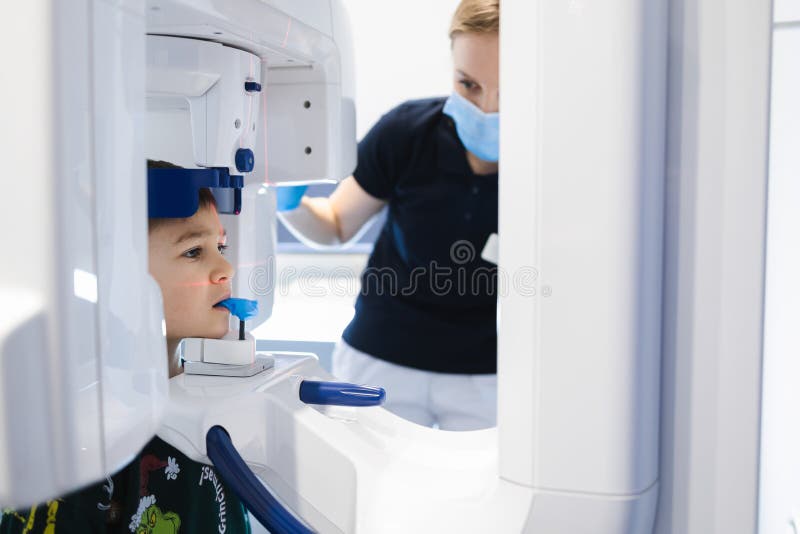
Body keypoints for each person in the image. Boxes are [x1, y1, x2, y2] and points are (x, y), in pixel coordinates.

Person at [278, 0, 500, 431]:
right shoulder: (407, 133)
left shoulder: (550, 161)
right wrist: (288, 202)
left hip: (487, 376)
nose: (486, 109)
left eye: (506, 91)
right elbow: (337, 224)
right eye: (468, 85)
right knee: (362, 491)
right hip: (381, 360)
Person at [0, 160, 251, 533]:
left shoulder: (211, 405)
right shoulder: (83, 444)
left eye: (221, 246)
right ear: (115, 275)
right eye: (194, 252)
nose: (225, 268)